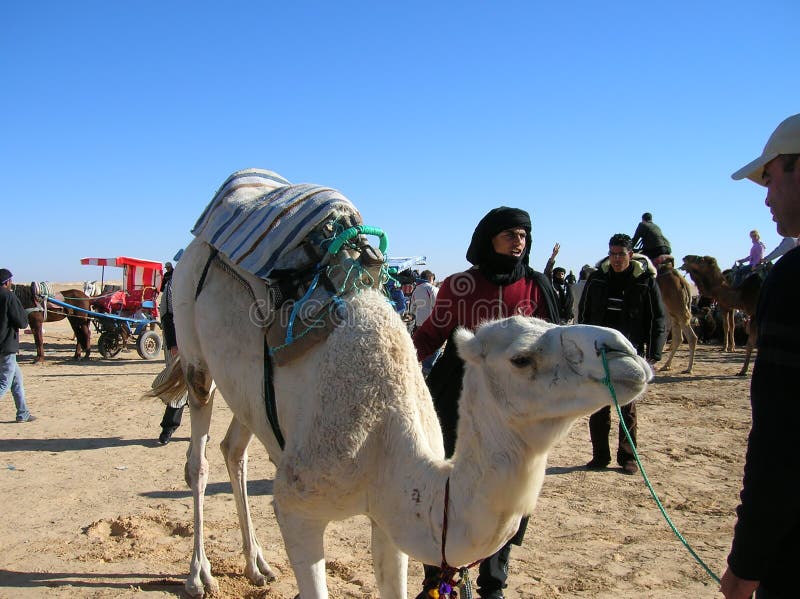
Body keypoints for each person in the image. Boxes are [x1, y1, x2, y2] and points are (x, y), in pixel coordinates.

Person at [412, 206, 560, 599]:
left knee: (510, 490)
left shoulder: (536, 287)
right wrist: (401, 358)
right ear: (489, 239)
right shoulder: (459, 285)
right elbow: (431, 335)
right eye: (511, 233)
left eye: (524, 235)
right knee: (444, 484)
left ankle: (493, 582)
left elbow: (555, 345)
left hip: (515, 403)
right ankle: (439, 577)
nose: (519, 241)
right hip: (456, 395)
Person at [721, 113, 800, 599]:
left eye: (770, 179)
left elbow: (784, 441)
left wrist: (747, 562)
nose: (767, 197)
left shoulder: (791, 280)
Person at [578, 233, 666, 475]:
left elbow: (658, 318)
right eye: (613, 254)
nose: (616, 259)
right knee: (598, 404)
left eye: (621, 254)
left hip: (630, 351)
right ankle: (600, 456)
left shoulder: (645, 281)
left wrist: (654, 352)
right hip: (599, 350)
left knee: (627, 405)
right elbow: (584, 313)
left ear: (630, 255)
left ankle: (628, 457)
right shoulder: (596, 279)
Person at [154, 259, 187, 445]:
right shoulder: (175, 282)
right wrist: (174, 343)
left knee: (202, 389)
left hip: (198, 341)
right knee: (177, 384)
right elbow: (167, 314)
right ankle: (168, 427)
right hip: (178, 341)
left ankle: (200, 432)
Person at [0, 268, 35, 423]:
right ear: (7, 282)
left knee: (16, 380)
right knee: (4, 383)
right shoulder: (9, 296)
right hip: (6, 345)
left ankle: (23, 413)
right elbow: (22, 322)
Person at [409, 270, 439, 376]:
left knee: (424, 345)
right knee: (434, 347)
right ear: (430, 278)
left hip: (419, 322)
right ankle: (427, 369)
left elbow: (412, 308)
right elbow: (436, 306)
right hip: (431, 322)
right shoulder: (431, 288)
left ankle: (425, 367)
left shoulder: (416, 289)